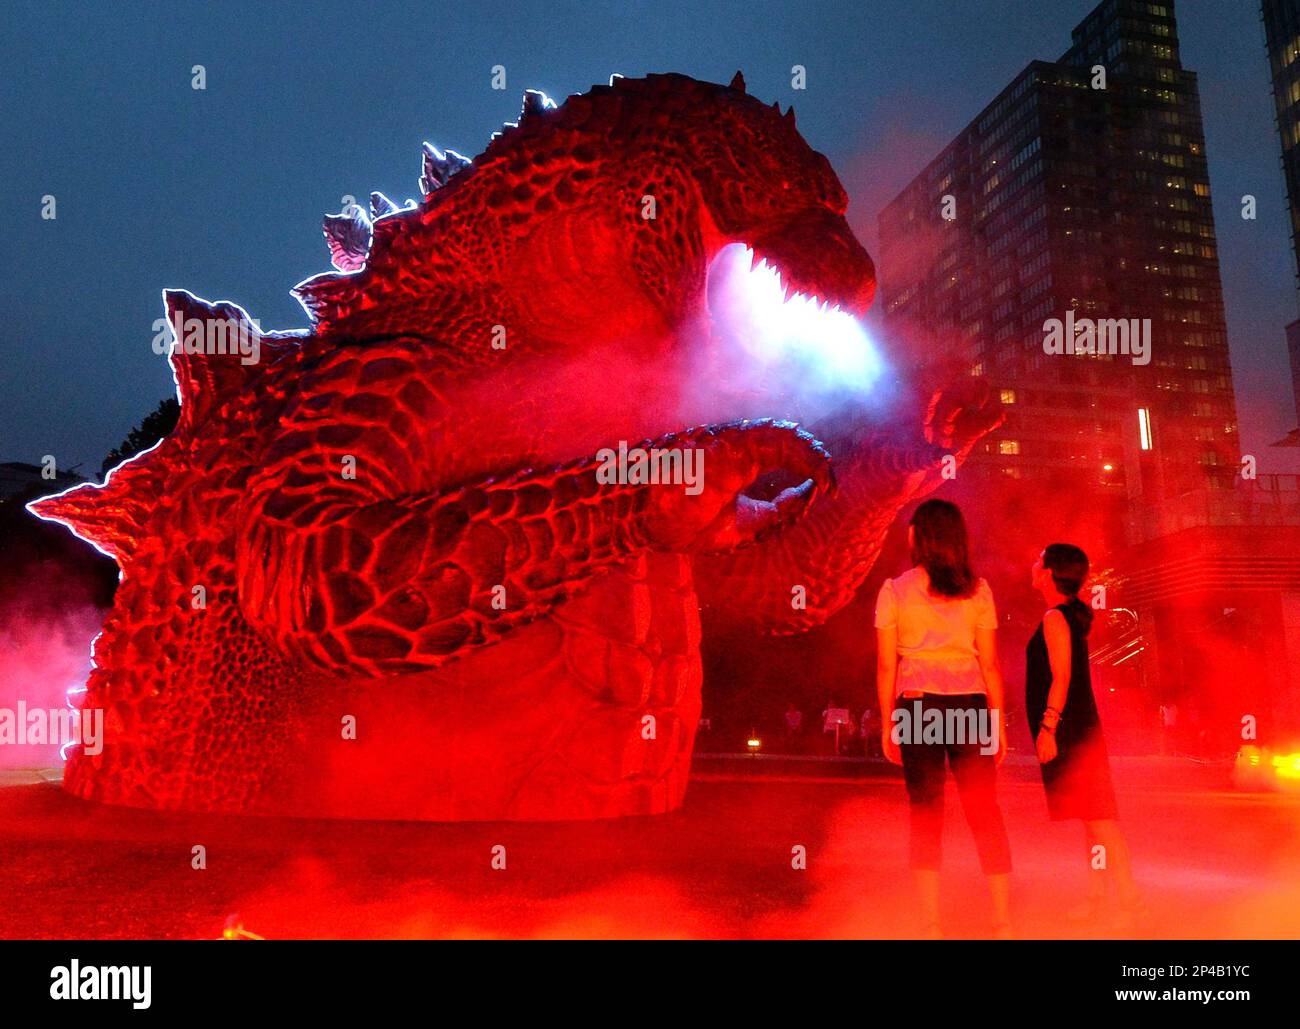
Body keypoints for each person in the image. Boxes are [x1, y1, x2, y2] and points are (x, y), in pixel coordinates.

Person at [875, 499, 1012, 939]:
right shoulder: (979, 590)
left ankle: (931, 924)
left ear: (918, 535)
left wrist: (886, 724)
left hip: (918, 706)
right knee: (984, 810)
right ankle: (1003, 921)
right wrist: (998, 724)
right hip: (969, 705)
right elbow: (990, 665)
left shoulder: (894, 591)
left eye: (910, 528)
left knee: (926, 812)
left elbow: (885, 667)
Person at [1027, 544, 1142, 927]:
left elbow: (1062, 677)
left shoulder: (1055, 618)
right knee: (1092, 820)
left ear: (1050, 572)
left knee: (1101, 821)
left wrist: (1047, 728)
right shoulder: (1068, 615)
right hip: (1078, 730)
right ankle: (1096, 899)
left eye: (1039, 560)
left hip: (1072, 732)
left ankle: (1130, 905)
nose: (1033, 564)